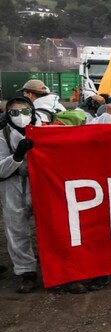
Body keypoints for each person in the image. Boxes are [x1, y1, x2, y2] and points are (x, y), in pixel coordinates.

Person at [2, 97, 37, 293]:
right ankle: (27, 272)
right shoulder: (3, 137)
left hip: (40, 185)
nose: (21, 116)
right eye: (14, 113)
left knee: (52, 228)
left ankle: (59, 268)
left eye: (25, 111)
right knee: (17, 230)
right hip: (13, 186)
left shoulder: (43, 130)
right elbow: (0, 169)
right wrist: (16, 157)